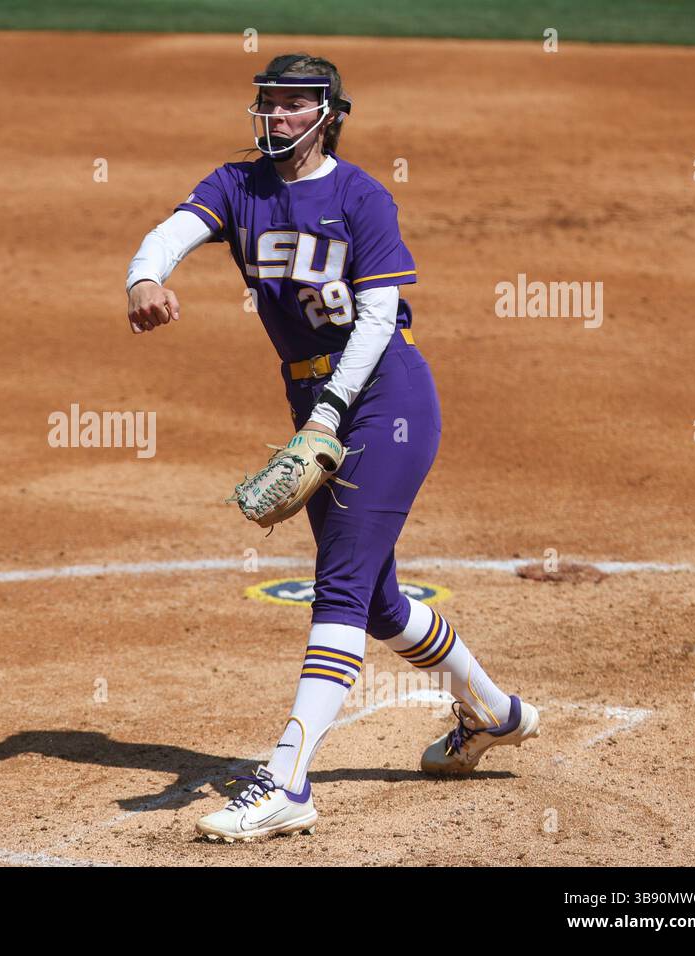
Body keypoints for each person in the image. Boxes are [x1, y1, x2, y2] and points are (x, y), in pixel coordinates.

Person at [124, 54, 540, 843]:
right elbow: (169, 233)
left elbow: (379, 320)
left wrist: (330, 414)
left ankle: (285, 781)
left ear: (327, 114)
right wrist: (144, 279)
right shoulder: (238, 185)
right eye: (267, 104)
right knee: (378, 602)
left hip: (385, 399)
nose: (275, 118)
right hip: (312, 399)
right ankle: (494, 712)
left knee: (339, 586)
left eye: (291, 106)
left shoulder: (361, 197)